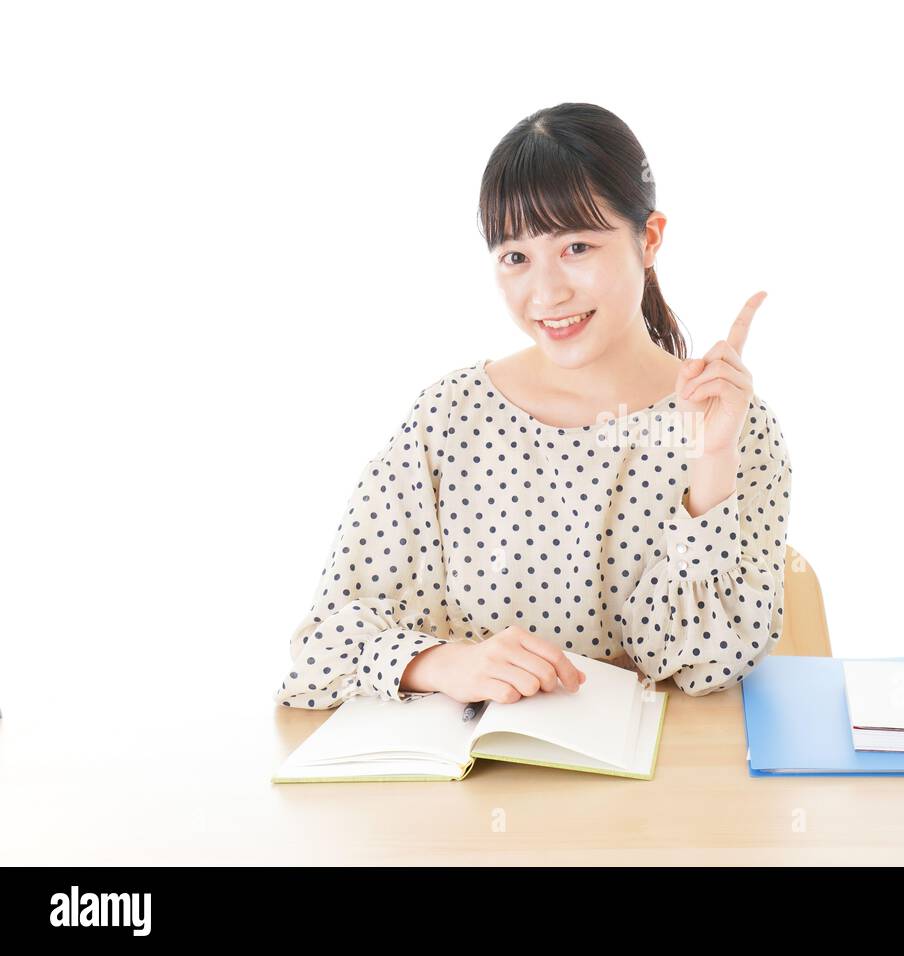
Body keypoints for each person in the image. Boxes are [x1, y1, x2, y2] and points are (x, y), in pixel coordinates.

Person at [273, 102, 793, 710]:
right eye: (516, 257)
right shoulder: (450, 417)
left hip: (651, 791)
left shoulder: (733, 423)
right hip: (468, 786)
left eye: (576, 247)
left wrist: (711, 461)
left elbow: (707, 664)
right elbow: (322, 647)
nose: (546, 293)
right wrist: (443, 664)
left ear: (648, 239)